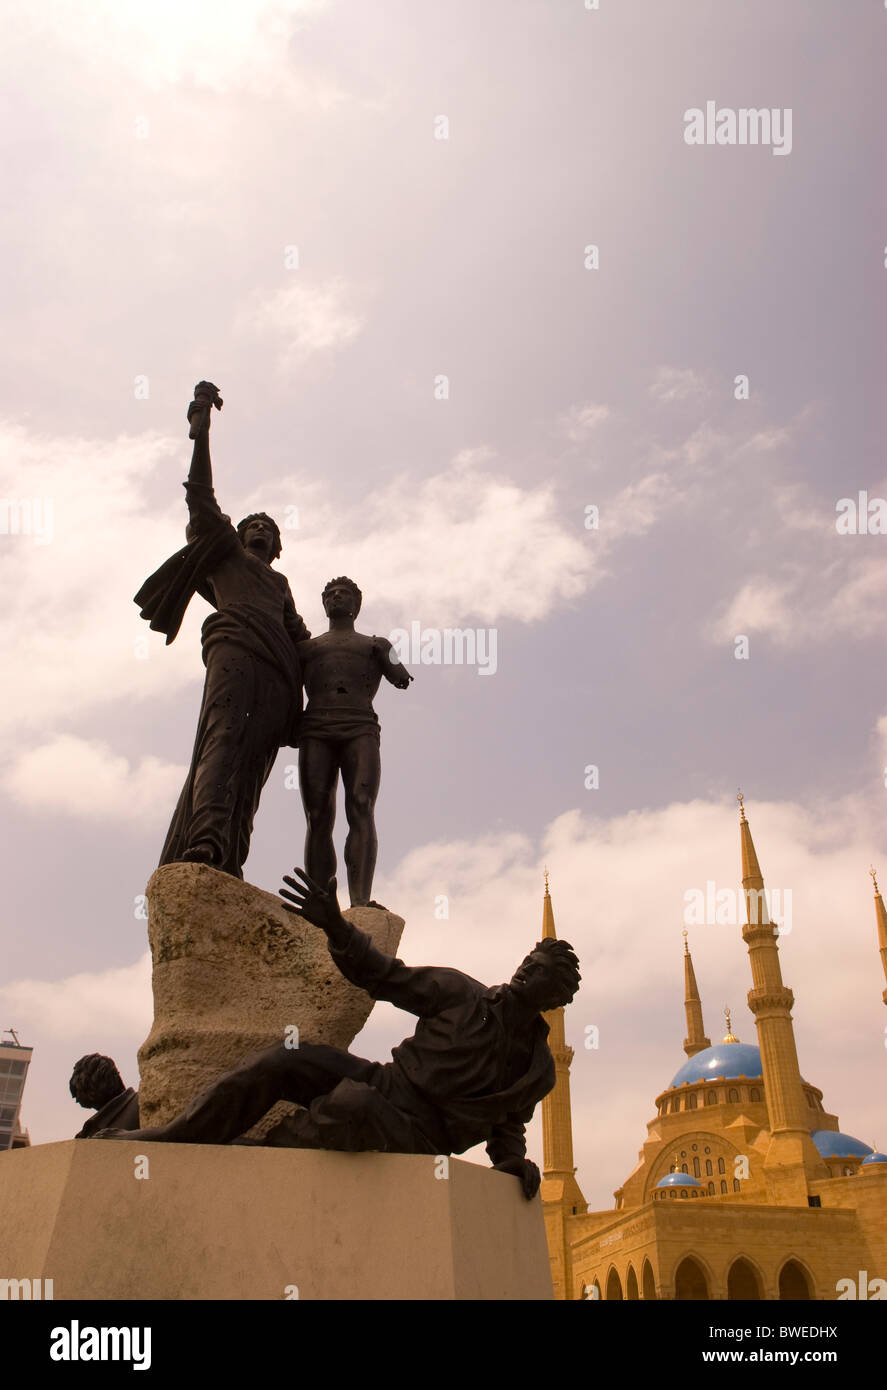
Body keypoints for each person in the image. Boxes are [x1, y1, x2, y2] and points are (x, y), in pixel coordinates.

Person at [97, 869, 581, 1200]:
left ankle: (250, 1159)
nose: (524, 971)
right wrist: (336, 927)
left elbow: (507, 1125)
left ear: (553, 996)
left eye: (538, 971)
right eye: (528, 961)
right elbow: (384, 976)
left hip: (420, 1135)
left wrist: (512, 1162)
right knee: (290, 1058)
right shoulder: (461, 993)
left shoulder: (538, 1070)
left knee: (353, 1106)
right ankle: (176, 1136)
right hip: (386, 1081)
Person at [134, 381, 310, 878]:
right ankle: (205, 840)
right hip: (234, 648)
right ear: (238, 533)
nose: (261, 530)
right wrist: (201, 431)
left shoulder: (280, 585)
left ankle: (230, 857)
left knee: (254, 767)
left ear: (277, 547)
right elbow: (200, 495)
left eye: (270, 529)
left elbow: (302, 640)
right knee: (224, 738)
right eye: (254, 524)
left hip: (279, 674)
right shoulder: (227, 554)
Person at [297, 577, 411, 906]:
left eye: (343, 593)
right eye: (330, 594)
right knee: (317, 814)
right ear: (324, 604)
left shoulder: (375, 645)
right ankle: (321, 901)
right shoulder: (307, 649)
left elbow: (401, 677)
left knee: (361, 806)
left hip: (359, 726)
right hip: (316, 727)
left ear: (356, 604)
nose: (336, 597)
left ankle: (360, 901)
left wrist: (389, 657)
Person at [70, 1054, 140, 1138]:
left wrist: (125, 1136)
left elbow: (156, 1131)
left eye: (82, 1091)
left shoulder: (139, 1101)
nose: (77, 1100)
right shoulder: (91, 1129)